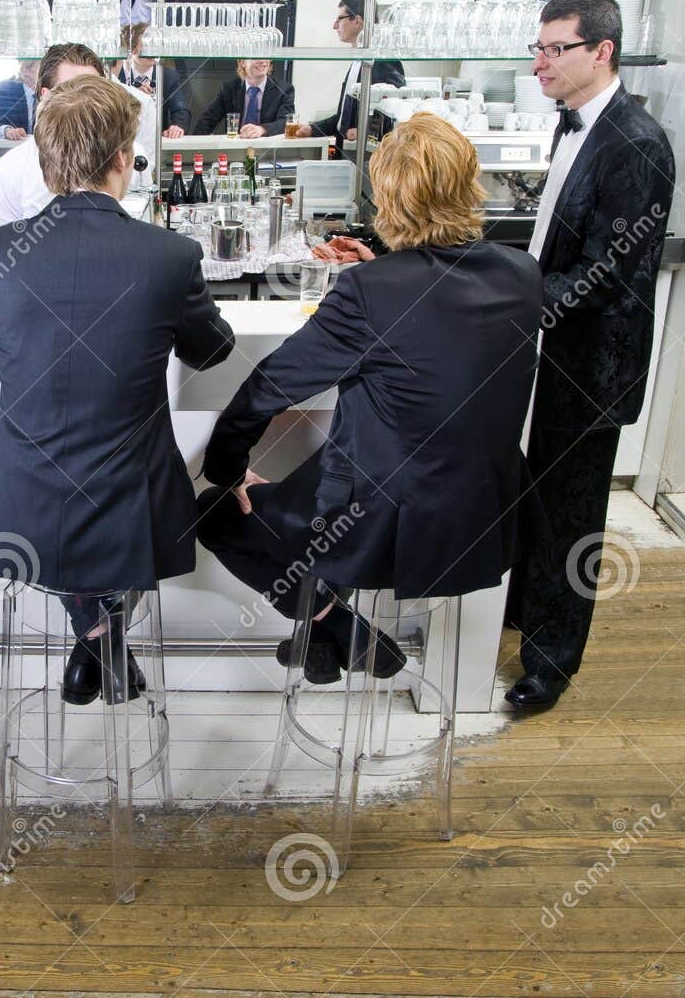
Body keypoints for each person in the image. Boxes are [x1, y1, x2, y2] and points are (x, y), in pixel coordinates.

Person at [196, 112, 542, 683]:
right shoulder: (522, 274)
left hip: (381, 521)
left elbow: (267, 388)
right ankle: (332, 635)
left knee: (214, 514)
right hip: (484, 512)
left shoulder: (367, 294)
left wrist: (228, 469)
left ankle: (335, 625)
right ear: (469, 183)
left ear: (387, 196)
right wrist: (386, 271)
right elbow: (442, 314)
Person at [0, 76, 234, 701]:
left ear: (47, 160)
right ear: (120, 161)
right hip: (132, 509)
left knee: (73, 529)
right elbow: (212, 350)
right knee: (115, 530)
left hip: (19, 509)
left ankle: (95, 637)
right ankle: (102, 636)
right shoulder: (168, 254)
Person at [505, 0, 675, 715]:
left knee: (572, 513)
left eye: (554, 48)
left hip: (590, 366)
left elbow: (611, 273)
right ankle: (522, 612)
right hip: (551, 350)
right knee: (535, 495)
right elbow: (556, 242)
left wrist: (518, 307)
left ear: (599, 52)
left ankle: (551, 661)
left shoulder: (635, 143)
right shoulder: (570, 126)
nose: (538, 60)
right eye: (537, 46)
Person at [0, 43, 153, 228]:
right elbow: (5, 245)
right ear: (45, 95)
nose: (83, 100)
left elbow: (144, 237)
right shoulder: (10, 168)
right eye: (69, 90)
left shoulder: (132, 155)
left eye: (95, 91)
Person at [293, 0, 404, 152]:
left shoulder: (383, 60)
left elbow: (399, 109)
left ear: (357, 21)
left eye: (340, 19)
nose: (334, 26)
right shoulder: (357, 60)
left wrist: (367, 132)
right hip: (345, 151)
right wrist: (312, 129)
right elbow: (343, 119)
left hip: (367, 156)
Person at [116, 23, 191, 138]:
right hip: (121, 140)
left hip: (155, 142)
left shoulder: (168, 76)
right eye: (146, 47)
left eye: (154, 46)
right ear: (132, 50)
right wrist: (132, 95)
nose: (153, 52)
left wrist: (177, 126)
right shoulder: (117, 74)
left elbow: (181, 110)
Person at [193, 58, 295, 138]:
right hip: (237, 148)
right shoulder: (229, 88)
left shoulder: (284, 89)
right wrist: (195, 144)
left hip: (267, 150)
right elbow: (208, 120)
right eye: (256, 57)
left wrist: (262, 129)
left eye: (266, 57)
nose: (263, 61)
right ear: (242, 62)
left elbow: (286, 122)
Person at [0, 59, 39, 141]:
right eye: (44, 67)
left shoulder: (54, 89)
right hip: (13, 148)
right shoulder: (5, 88)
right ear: (26, 71)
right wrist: (7, 130)